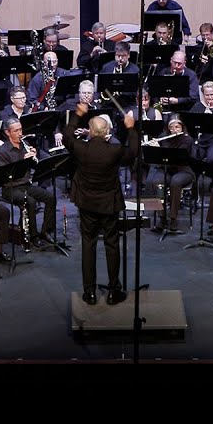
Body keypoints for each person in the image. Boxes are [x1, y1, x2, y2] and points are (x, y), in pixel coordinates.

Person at [62, 98, 140, 305]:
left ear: (90, 131)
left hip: (87, 203)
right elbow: (133, 152)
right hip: (109, 203)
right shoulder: (113, 150)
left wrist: (78, 114)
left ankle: (90, 293)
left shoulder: (81, 148)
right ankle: (114, 291)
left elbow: (67, 136)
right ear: (107, 132)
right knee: (111, 244)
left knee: (88, 245)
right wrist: (131, 128)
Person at [0, 117, 57, 246]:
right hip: (10, 188)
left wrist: (33, 158)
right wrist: (23, 161)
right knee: (30, 202)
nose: (20, 133)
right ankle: (33, 237)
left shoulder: (25, 145)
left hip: (26, 185)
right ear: (8, 132)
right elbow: (5, 176)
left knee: (50, 197)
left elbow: (35, 167)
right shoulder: (2, 151)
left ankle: (45, 231)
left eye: (21, 130)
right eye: (16, 131)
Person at [143, 115, 195, 234]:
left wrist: (160, 149)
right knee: (157, 181)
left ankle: (173, 218)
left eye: (177, 127)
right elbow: (159, 160)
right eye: (172, 127)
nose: (175, 130)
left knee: (175, 182)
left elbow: (175, 156)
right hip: (165, 168)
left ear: (182, 127)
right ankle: (162, 218)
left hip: (183, 169)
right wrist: (154, 149)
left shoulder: (187, 140)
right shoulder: (163, 137)